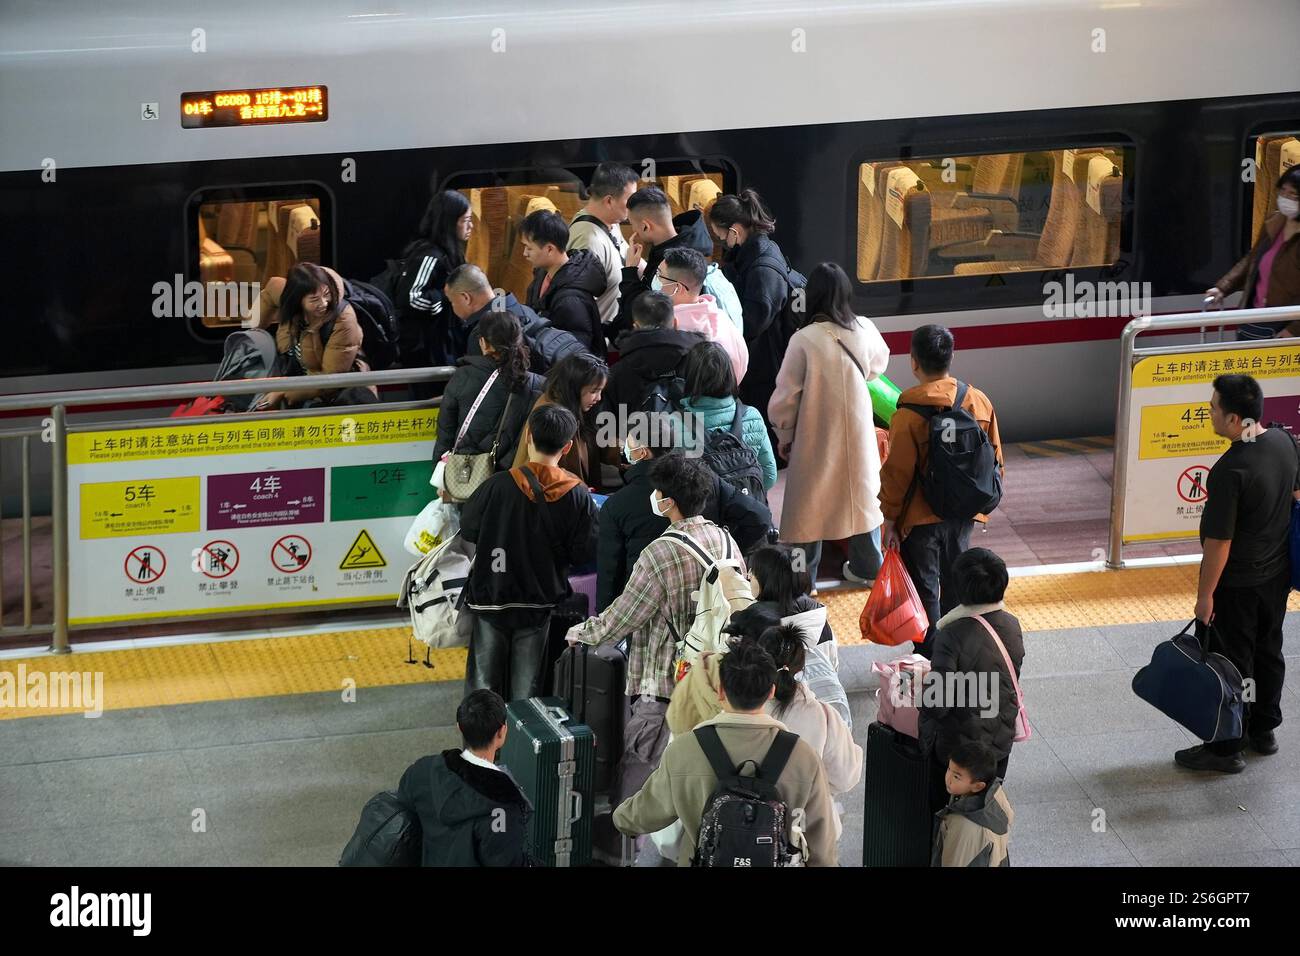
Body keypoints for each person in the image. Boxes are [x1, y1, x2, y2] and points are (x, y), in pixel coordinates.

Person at [566, 453, 745, 805]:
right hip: (713, 680)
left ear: (668, 503)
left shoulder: (659, 554)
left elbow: (619, 620)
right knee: (701, 781)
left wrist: (579, 633)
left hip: (663, 686)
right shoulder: (725, 540)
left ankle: (626, 849)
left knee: (640, 777)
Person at [612, 641, 838, 866]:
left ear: (720, 691)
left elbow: (641, 815)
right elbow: (821, 840)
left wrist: (620, 818)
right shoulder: (803, 756)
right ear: (771, 692)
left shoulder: (685, 750)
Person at [1177, 374, 1298, 772]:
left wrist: (1205, 595)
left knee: (1230, 663)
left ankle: (1227, 747)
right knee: (1268, 650)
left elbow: (1219, 543)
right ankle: (1263, 730)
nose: (1208, 413)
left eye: (1213, 408)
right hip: (1275, 576)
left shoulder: (1230, 470)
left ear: (1233, 420)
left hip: (1238, 585)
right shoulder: (1283, 442)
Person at [460, 405, 599, 700]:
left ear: (528, 436)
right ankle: (523, 742)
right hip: (539, 602)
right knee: (528, 687)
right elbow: (584, 552)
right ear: (568, 446)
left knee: (483, 684)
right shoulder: (576, 494)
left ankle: (479, 741)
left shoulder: (496, 485)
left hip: (492, 599)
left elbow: (469, 529)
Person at [879, 324, 1003, 654]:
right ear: (951, 356)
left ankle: (929, 659)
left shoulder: (907, 414)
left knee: (924, 590)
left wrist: (889, 520)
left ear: (914, 362)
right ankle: (956, 652)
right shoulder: (978, 402)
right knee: (957, 584)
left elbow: (897, 475)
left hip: (919, 521)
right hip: (963, 515)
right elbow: (996, 461)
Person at [770, 262, 890, 586]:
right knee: (861, 498)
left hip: (815, 433)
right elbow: (879, 365)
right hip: (858, 430)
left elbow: (786, 395)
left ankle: (802, 579)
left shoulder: (804, 339)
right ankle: (869, 569)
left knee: (808, 506)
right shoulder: (864, 327)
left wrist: (784, 433)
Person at [597, 424, 772, 613]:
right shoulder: (705, 479)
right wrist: (727, 547)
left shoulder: (616, 505)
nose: (624, 449)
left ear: (643, 452)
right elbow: (759, 517)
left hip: (649, 607)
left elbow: (610, 574)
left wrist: (603, 621)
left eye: (629, 444)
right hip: (707, 599)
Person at [918, 547, 1024, 815]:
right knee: (984, 808)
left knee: (943, 815)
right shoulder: (1011, 625)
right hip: (998, 745)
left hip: (957, 751)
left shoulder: (952, 634)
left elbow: (936, 704)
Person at [397, 689, 531, 866]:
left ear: (459, 727)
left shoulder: (423, 770)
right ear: (501, 732)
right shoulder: (503, 808)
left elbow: (404, 806)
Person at [758, 624, 862, 841]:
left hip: (749, 826)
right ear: (801, 667)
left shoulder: (745, 710)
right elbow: (845, 777)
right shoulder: (823, 716)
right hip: (808, 827)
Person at [707, 189, 796, 426]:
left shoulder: (762, 268)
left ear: (735, 231)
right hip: (760, 366)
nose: (722, 243)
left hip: (766, 369)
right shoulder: (752, 255)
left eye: (721, 237)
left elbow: (749, 326)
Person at [249, 262, 377, 409]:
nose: (323, 303)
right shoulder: (285, 295)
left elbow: (331, 378)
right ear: (297, 300)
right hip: (302, 384)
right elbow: (269, 293)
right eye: (314, 299)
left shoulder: (343, 320)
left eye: (326, 294)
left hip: (340, 396)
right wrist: (252, 333)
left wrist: (282, 392)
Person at [432, 310, 545, 475]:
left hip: (468, 476)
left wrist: (440, 471)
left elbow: (445, 432)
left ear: (483, 342)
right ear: (519, 340)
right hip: (516, 478)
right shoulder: (537, 384)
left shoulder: (463, 377)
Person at [1206, 165, 1300, 340]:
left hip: (1283, 326)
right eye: (1283, 191)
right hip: (1252, 315)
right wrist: (1223, 287)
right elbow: (1252, 259)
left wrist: (1294, 330)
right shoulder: (1274, 222)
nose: (1286, 198)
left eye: (1293, 194)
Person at [445, 263, 592, 374]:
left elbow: (487, 387)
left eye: (452, 301)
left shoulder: (484, 333)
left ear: (465, 297)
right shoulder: (522, 309)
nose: (452, 307)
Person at [602, 291, 704, 439]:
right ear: (675, 322)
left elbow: (608, 433)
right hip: (695, 448)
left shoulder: (617, 373)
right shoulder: (701, 360)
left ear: (635, 326)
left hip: (639, 454)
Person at [678, 341, 777, 493]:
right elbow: (769, 476)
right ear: (730, 374)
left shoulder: (674, 424)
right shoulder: (751, 416)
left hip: (699, 514)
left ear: (690, 377)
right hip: (745, 510)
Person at [392, 190, 473, 370]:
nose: (471, 226)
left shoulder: (450, 253)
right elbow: (410, 298)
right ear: (450, 223)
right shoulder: (430, 256)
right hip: (427, 349)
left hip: (442, 343)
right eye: (465, 221)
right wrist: (446, 298)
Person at [617, 186, 716, 334]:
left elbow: (644, 315)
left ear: (645, 226)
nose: (633, 230)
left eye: (632, 224)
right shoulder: (684, 245)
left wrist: (630, 271)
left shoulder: (671, 265)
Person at [511, 352, 609, 489]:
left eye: (600, 391)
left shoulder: (573, 405)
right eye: (593, 391)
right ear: (575, 387)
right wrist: (576, 485)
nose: (598, 398)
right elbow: (540, 466)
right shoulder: (551, 413)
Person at [659, 247, 749, 385]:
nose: (657, 281)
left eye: (659, 276)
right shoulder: (723, 319)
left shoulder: (671, 329)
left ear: (678, 287)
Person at [521, 209, 607, 354]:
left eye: (529, 248)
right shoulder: (544, 274)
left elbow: (574, 355)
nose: (524, 253)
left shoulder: (571, 300)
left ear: (549, 249)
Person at [568, 162, 638, 328]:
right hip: (601, 346)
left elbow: (627, 256)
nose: (634, 206)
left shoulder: (612, 223)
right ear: (609, 201)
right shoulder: (587, 241)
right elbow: (579, 308)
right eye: (630, 200)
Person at [932, 741, 1014, 868]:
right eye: (949, 769)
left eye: (956, 777)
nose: (948, 778)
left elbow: (954, 861)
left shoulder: (964, 827)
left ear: (977, 786)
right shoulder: (996, 795)